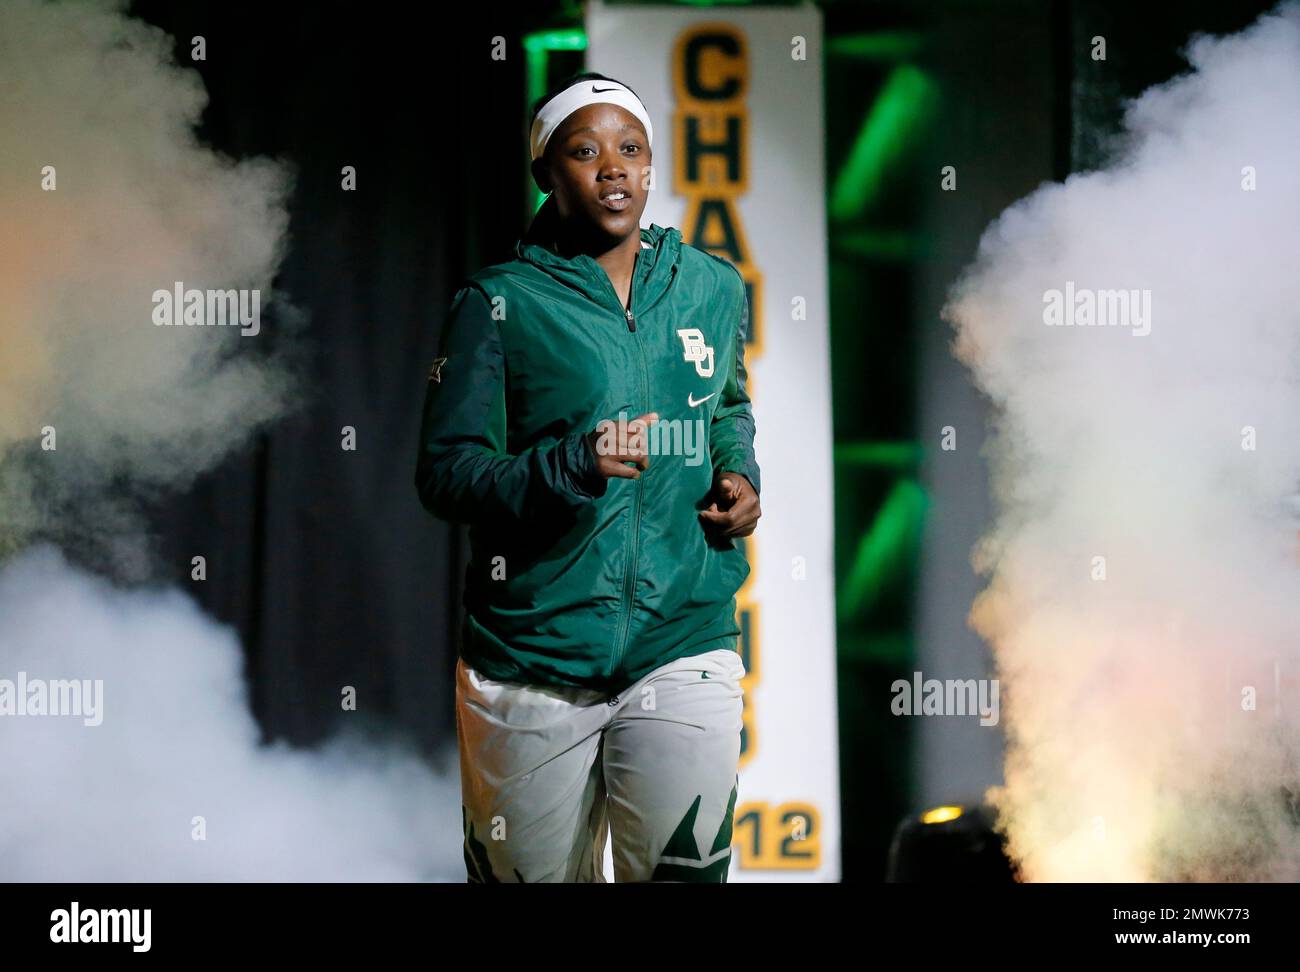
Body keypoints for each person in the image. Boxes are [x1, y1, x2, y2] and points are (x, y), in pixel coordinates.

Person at [415, 71, 761, 882]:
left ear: (651, 165)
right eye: (585, 151)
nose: (613, 168)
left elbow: (727, 407)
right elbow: (447, 474)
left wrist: (738, 475)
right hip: (534, 658)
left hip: (684, 638)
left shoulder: (710, 285)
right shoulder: (498, 302)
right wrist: (569, 465)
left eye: (631, 149)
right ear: (546, 174)